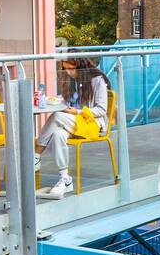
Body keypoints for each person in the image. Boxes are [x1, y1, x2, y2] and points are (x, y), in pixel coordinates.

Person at [34, 57, 110, 199]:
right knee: (57, 134)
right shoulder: (72, 81)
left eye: (71, 68)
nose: (68, 72)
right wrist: (60, 103)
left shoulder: (97, 80)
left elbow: (102, 110)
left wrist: (78, 112)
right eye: (65, 69)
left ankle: (36, 155)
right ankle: (65, 179)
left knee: (56, 116)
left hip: (91, 123)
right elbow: (68, 103)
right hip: (73, 122)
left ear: (80, 66)